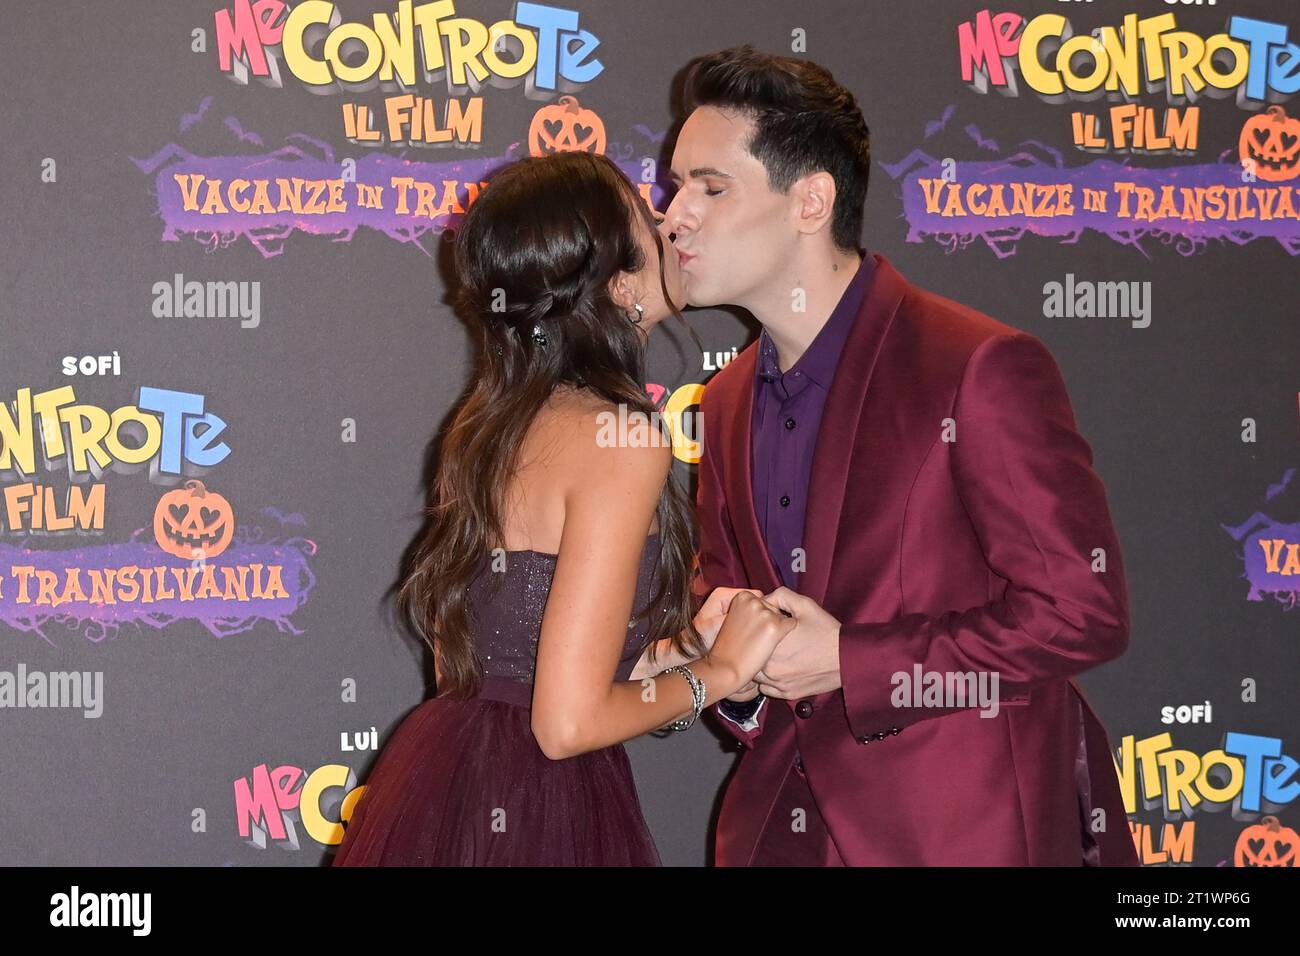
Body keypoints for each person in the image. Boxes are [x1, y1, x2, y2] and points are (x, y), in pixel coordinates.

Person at [662, 45, 1140, 866]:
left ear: (811, 200)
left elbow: (1080, 614)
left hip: (959, 832)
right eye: (675, 187)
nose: (673, 216)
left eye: (711, 187)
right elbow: (725, 594)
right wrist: (726, 656)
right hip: (778, 831)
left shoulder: (975, 366)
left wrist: (852, 661)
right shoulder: (726, 399)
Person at [331, 149, 794, 866]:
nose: (670, 221)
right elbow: (565, 722)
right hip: (536, 807)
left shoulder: (492, 426)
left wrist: (681, 653)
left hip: (456, 786)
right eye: (646, 216)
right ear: (617, 283)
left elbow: (517, 656)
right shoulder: (620, 439)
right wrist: (722, 675)